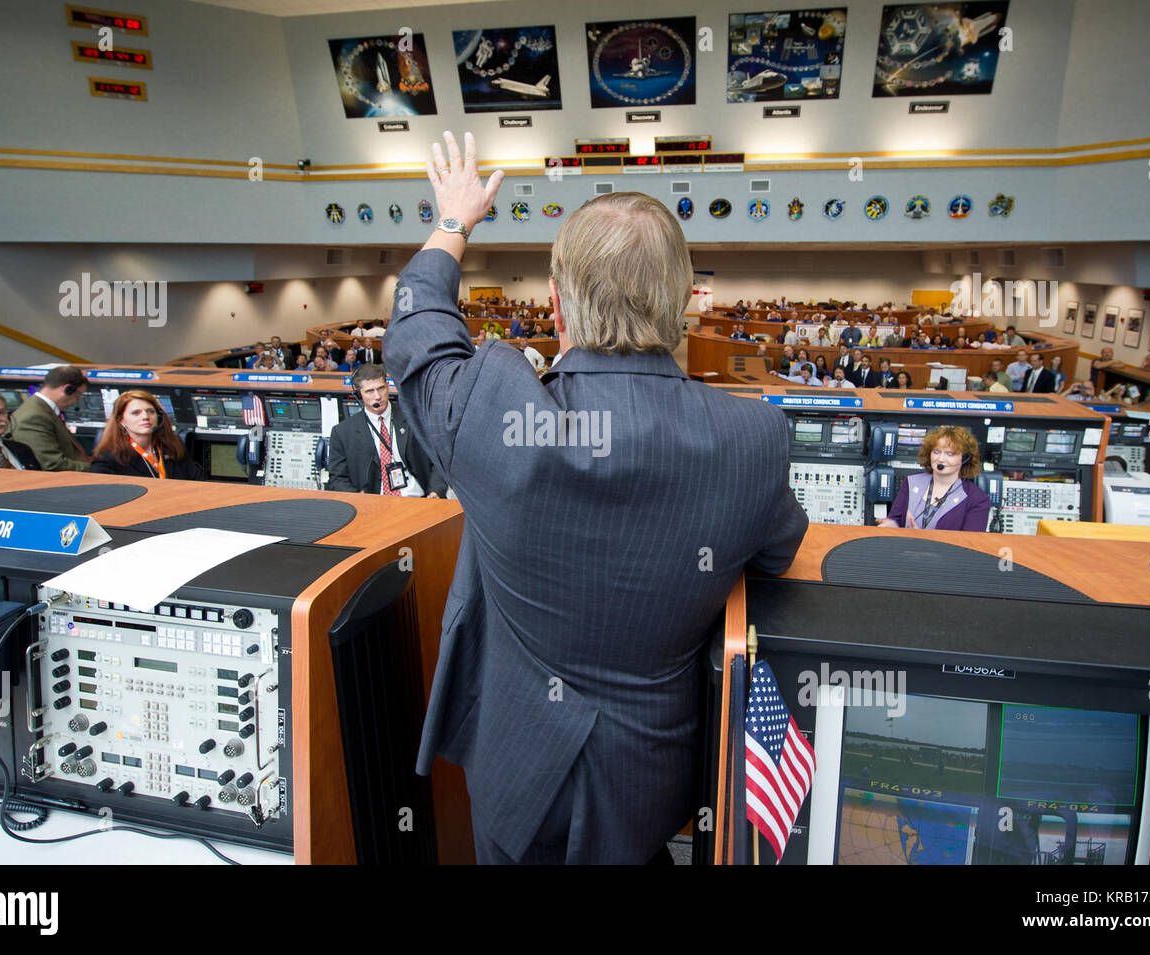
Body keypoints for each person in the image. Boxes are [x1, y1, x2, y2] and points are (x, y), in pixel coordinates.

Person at [389, 132, 807, 864]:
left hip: (514, 762)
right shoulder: (753, 437)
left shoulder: (495, 413)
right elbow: (778, 555)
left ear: (555, 304)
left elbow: (418, 329)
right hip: (654, 771)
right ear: (684, 302)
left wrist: (453, 222)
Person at [325, 363, 446, 498]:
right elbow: (337, 478)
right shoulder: (342, 432)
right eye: (369, 391)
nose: (377, 396)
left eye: (381, 388)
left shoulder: (416, 418)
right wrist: (356, 498)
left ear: (388, 387)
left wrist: (435, 491)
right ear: (359, 394)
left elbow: (439, 459)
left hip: (419, 500)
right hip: (373, 504)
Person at [876, 425, 992, 531]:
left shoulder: (977, 499)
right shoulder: (911, 482)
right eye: (936, 452)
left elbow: (969, 545)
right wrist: (890, 524)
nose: (941, 459)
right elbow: (896, 520)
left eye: (950, 454)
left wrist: (922, 537)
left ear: (965, 458)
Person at [89, 390, 204, 480]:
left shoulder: (173, 446)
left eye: (150, 411)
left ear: (159, 417)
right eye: (136, 413)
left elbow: (197, 479)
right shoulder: (109, 458)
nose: (145, 417)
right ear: (121, 420)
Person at [9, 366, 90, 471]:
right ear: (67, 389)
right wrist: (96, 469)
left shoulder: (44, 409)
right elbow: (51, 464)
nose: (77, 401)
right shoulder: (34, 417)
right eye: (78, 395)